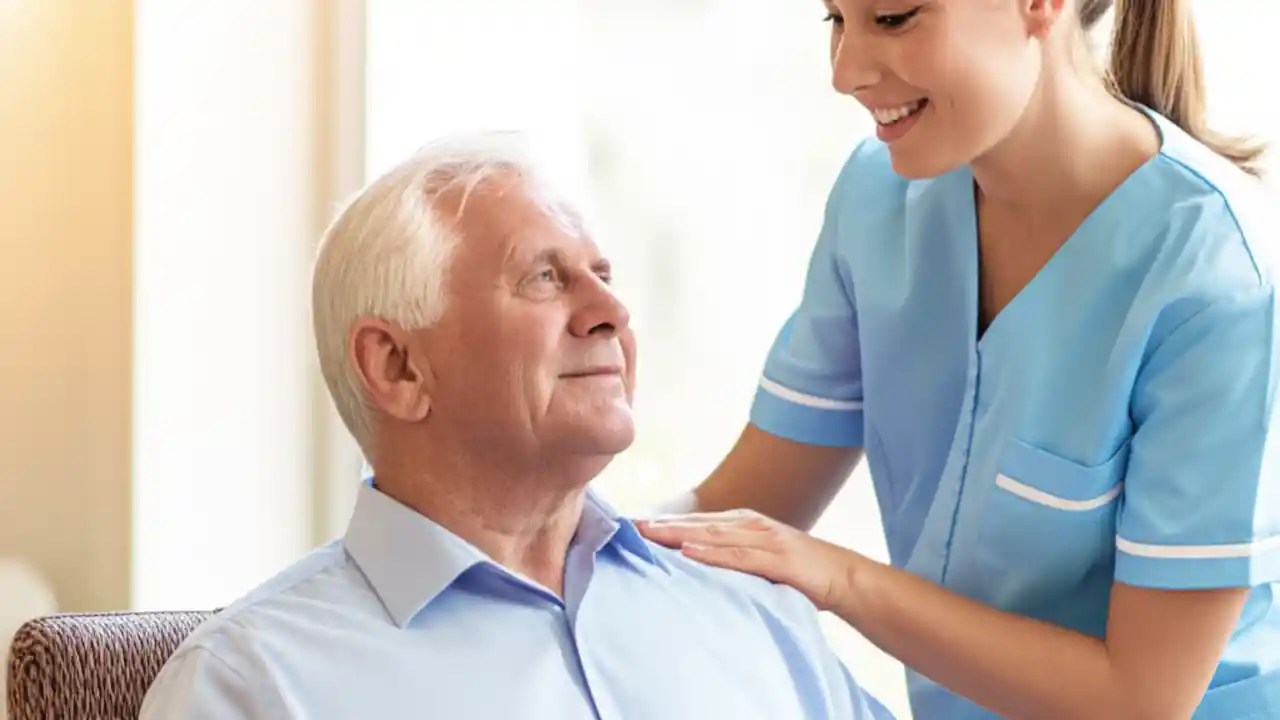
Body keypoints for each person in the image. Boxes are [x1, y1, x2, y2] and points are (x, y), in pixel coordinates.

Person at [638, 0, 1279, 718]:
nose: (845, 73)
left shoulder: (1213, 274)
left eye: (894, 18)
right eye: (835, 20)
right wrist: (564, 536)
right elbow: (743, 510)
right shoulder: (879, 199)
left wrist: (841, 581)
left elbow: (1139, 699)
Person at [138, 133, 891, 719]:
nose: (611, 313)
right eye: (544, 278)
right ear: (398, 367)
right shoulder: (253, 683)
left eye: (603, 275)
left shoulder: (752, 610)